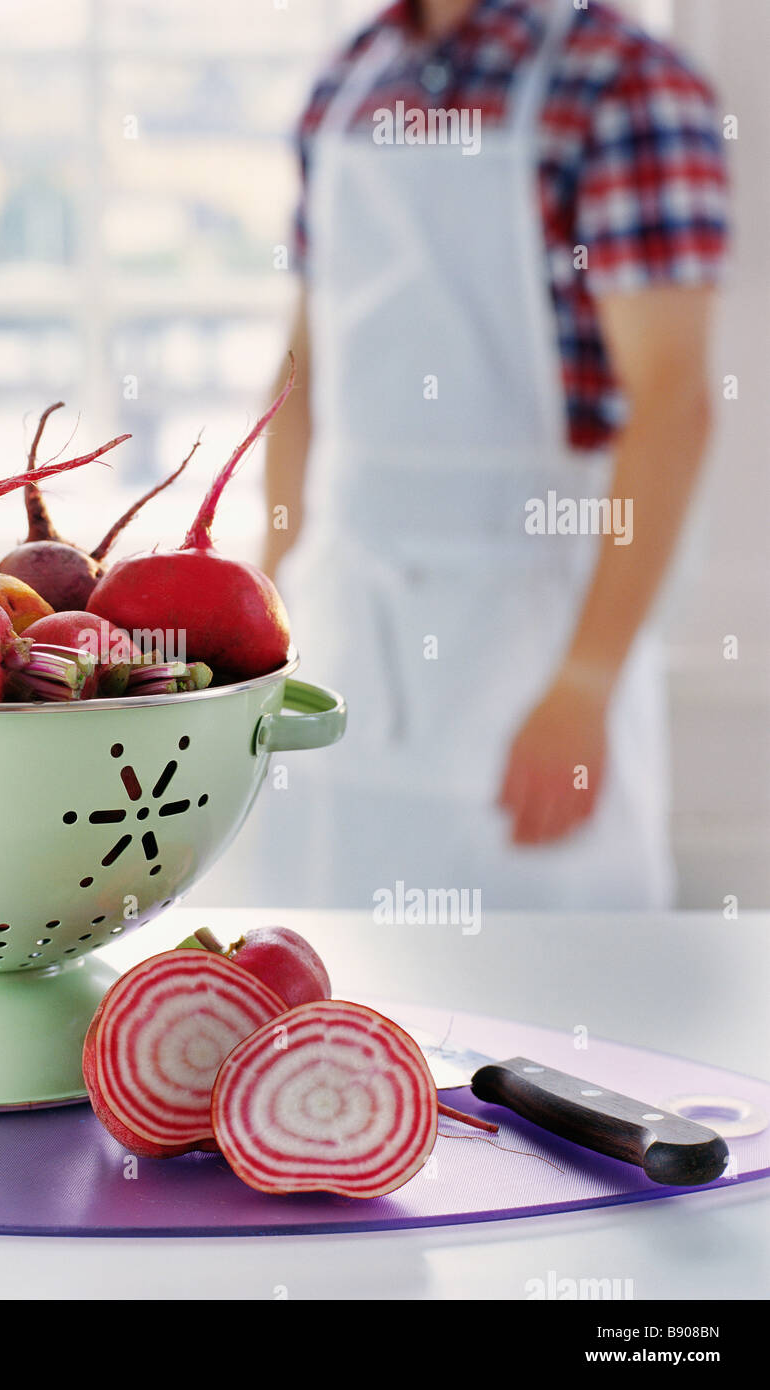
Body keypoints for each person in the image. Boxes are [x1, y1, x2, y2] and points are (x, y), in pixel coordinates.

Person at [263, 0, 728, 908]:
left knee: (554, 1005)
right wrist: (263, 609)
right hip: (342, 636)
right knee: (342, 990)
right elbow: (299, 376)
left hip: (534, 653)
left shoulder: (623, 84)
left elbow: (672, 406)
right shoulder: (348, 82)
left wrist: (586, 682)